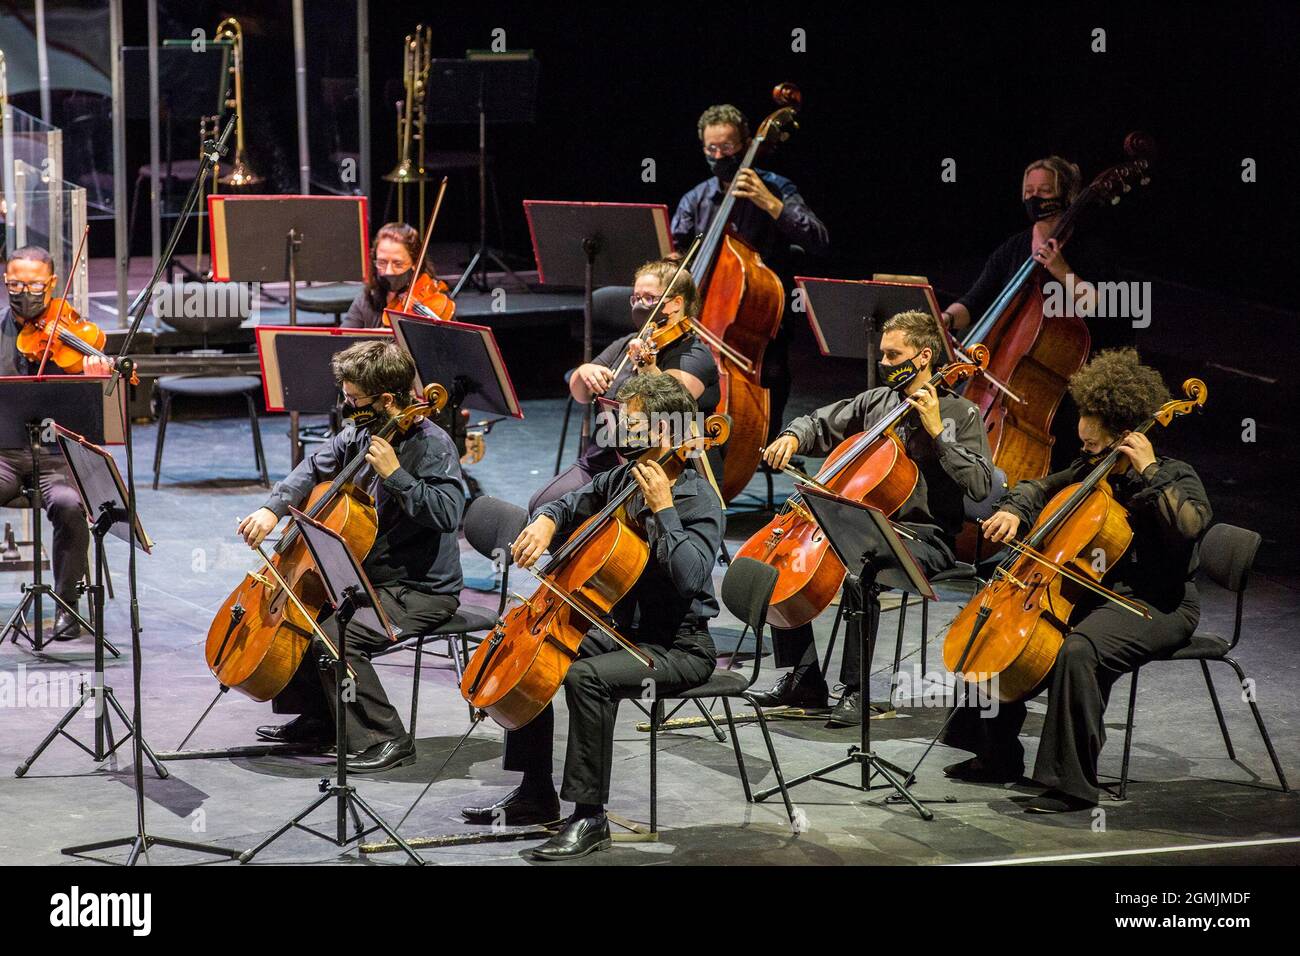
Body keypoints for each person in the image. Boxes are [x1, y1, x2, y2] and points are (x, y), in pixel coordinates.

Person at [462, 374, 724, 861]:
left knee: (586, 678)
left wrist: (664, 510)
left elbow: (691, 578)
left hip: (678, 647)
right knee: (534, 655)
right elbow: (568, 502)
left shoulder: (697, 499)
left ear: (666, 432)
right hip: (624, 633)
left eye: (633, 423)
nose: (621, 431)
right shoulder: (624, 478)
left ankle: (589, 817)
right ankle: (535, 791)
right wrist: (545, 521)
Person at [941, 348, 1211, 813]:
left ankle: (1073, 784)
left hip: (1155, 603)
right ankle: (998, 755)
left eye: (1091, 444)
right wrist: (1013, 508)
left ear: (1125, 438)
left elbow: (1190, 526)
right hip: (1093, 594)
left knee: (1079, 650)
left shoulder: (1172, 474)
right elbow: (1036, 487)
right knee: (1004, 631)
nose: (1083, 451)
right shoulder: (1091, 469)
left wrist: (1147, 471)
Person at [752, 310, 993, 726]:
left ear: (923, 357)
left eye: (892, 355)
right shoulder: (877, 403)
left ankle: (857, 691)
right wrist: (792, 435)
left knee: (859, 572)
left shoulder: (960, 414)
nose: (883, 364)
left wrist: (937, 433)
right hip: (865, 524)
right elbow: (819, 422)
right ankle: (805, 677)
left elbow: (981, 484)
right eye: (882, 355)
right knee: (784, 562)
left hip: (923, 537)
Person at [238, 340, 465, 773]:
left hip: (418, 587)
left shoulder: (432, 445)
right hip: (368, 576)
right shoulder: (363, 430)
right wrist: (272, 509)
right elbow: (313, 467)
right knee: (302, 615)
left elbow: (449, 512)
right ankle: (324, 719)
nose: (346, 406)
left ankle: (388, 737)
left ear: (385, 399)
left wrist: (395, 476)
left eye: (353, 398)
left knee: (335, 636)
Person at [672, 103, 829, 439]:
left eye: (726, 147)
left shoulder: (776, 188)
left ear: (745, 144)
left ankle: (762, 442)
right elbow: (676, 255)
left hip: (761, 320)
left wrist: (770, 203)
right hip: (702, 316)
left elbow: (817, 239)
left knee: (772, 373)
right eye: (710, 148)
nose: (718, 155)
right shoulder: (695, 199)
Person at [529, 257, 720, 514]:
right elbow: (581, 395)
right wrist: (584, 372)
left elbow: (669, 405)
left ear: (676, 303)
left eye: (649, 298)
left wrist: (648, 368)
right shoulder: (628, 343)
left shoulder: (693, 355)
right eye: (635, 298)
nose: (640, 304)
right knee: (543, 507)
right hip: (603, 463)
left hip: (658, 471)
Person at [0, 246, 106, 640]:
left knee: (69, 504)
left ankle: (67, 604)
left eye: (32, 284)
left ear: (51, 284)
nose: (22, 291)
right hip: (6, 455)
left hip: (57, 458)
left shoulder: (77, 334)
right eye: (14, 283)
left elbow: (99, 418)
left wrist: (97, 379)